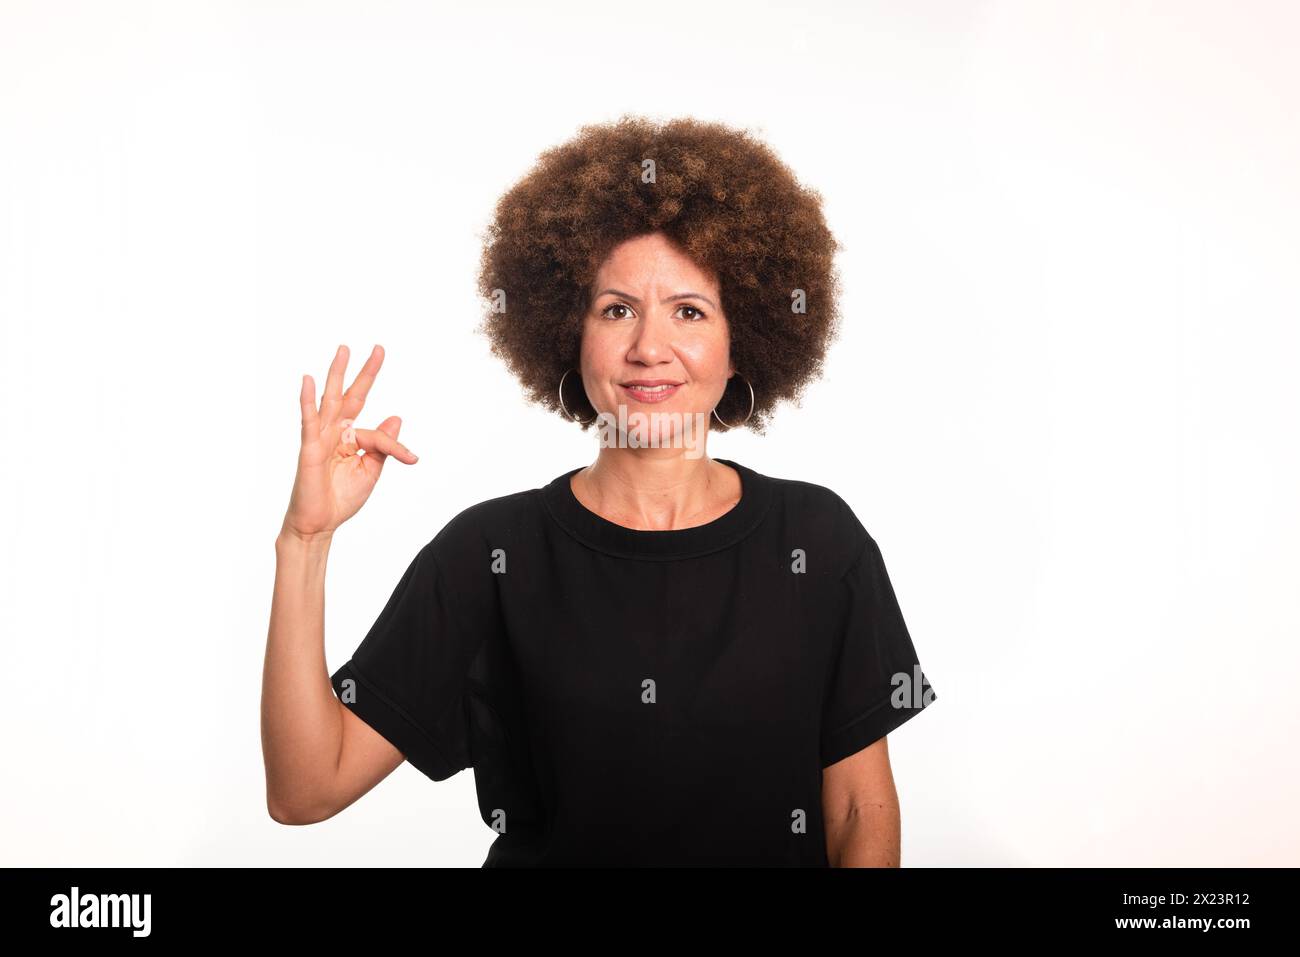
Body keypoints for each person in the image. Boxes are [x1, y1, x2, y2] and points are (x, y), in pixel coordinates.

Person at [261, 115, 938, 866]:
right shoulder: (492, 554)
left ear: (741, 338)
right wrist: (306, 540)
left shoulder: (819, 539)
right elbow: (303, 788)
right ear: (567, 334)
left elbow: (856, 809)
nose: (649, 348)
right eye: (616, 309)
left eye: (689, 311)